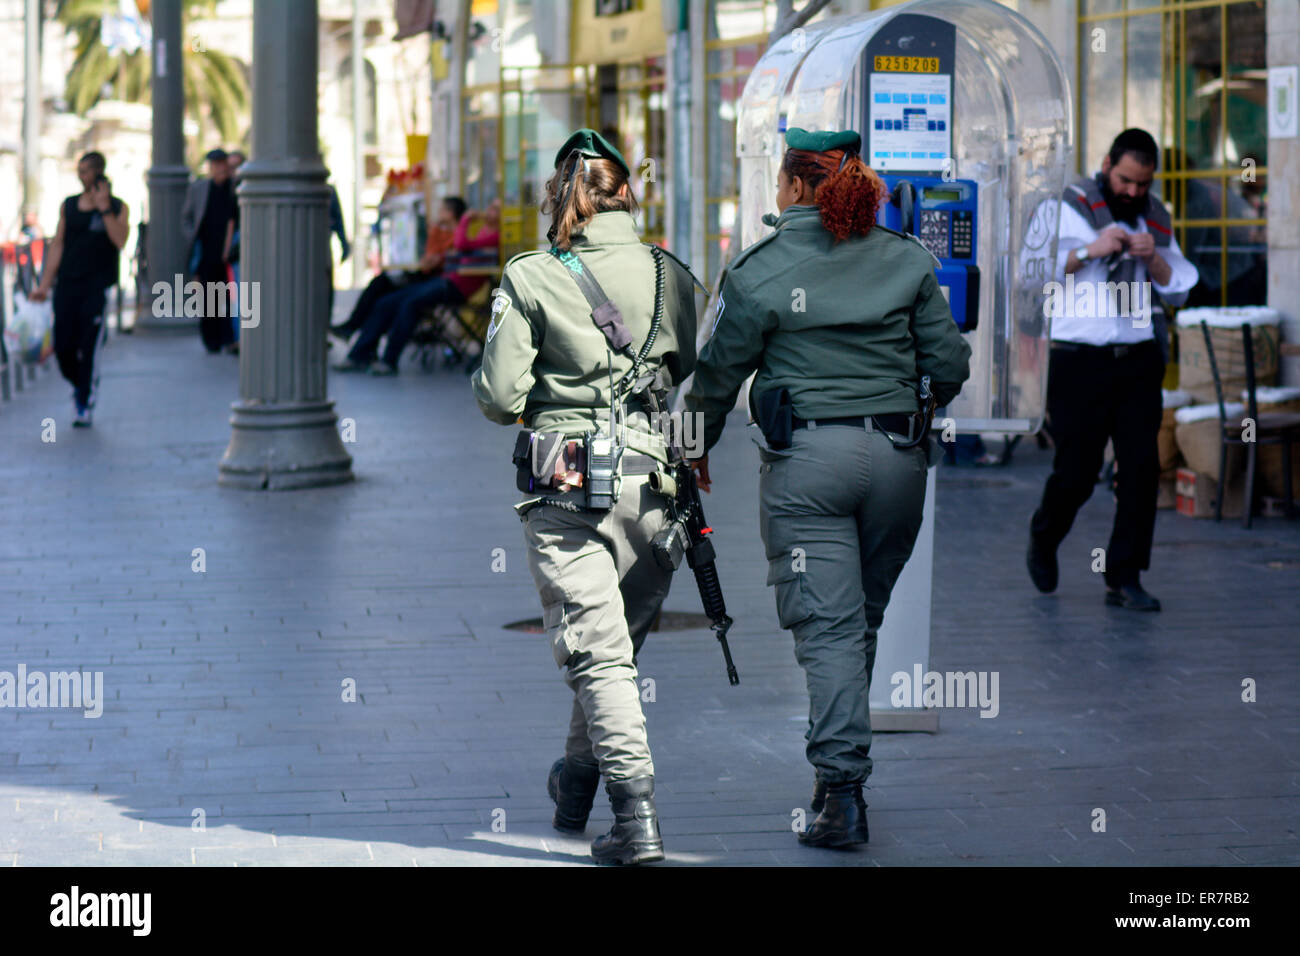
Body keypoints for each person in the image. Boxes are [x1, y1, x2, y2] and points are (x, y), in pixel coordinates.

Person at [685, 127, 971, 849]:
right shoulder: (907, 259)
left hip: (809, 466)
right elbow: (950, 363)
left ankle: (841, 792)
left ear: (791, 187)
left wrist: (691, 454)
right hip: (899, 463)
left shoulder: (760, 269)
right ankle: (832, 769)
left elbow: (715, 378)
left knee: (831, 627)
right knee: (857, 620)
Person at [471, 129, 701, 865]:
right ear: (628, 195)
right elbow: (686, 362)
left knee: (599, 656)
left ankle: (637, 820)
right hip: (655, 480)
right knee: (612, 650)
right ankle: (575, 786)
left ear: (561, 197)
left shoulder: (532, 274)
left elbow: (500, 396)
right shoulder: (671, 272)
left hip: (567, 478)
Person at [1027, 128, 1198, 612]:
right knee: (1077, 473)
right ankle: (1044, 535)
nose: (1133, 192)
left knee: (1142, 470)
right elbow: (1031, 272)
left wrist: (1156, 262)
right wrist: (1089, 252)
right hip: (1078, 359)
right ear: (1107, 165)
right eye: (1125, 180)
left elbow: (1179, 290)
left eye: (1143, 184)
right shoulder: (1065, 206)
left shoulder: (1155, 219)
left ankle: (1125, 577)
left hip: (1138, 358)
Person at [335, 199, 498, 374]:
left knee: (409, 304)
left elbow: (460, 244)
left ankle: (389, 359)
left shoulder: (495, 234)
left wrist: (465, 219)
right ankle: (360, 353)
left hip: (454, 287)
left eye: (495, 209)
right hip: (445, 281)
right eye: (490, 206)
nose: (488, 211)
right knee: (386, 301)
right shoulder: (480, 230)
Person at [28, 151, 130, 427]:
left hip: (96, 288)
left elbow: (120, 240)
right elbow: (57, 244)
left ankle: (84, 400)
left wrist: (104, 206)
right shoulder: (69, 206)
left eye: (86, 170)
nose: (81, 175)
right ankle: (80, 382)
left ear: (98, 172)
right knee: (62, 346)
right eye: (80, 170)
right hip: (67, 286)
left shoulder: (118, 207)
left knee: (89, 345)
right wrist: (44, 284)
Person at [328, 197, 468, 343]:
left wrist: (435, 255)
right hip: (425, 275)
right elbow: (430, 256)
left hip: (431, 278)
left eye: (442, 210)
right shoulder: (439, 231)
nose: (438, 213)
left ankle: (360, 338)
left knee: (386, 301)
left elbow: (436, 259)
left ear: (450, 213)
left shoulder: (458, 235)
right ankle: (353, 327)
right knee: (380, 283)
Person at [181, 148, 238, 353]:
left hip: (229, 253)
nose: (218, 168)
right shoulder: (199, 189)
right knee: (207, 299)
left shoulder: (234, 188)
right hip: (206, 253)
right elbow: (186, 217)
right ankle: (211, 340)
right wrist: (192, 236)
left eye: (221, 163)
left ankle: (228, 338)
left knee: (229, 298)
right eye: (214, 164)